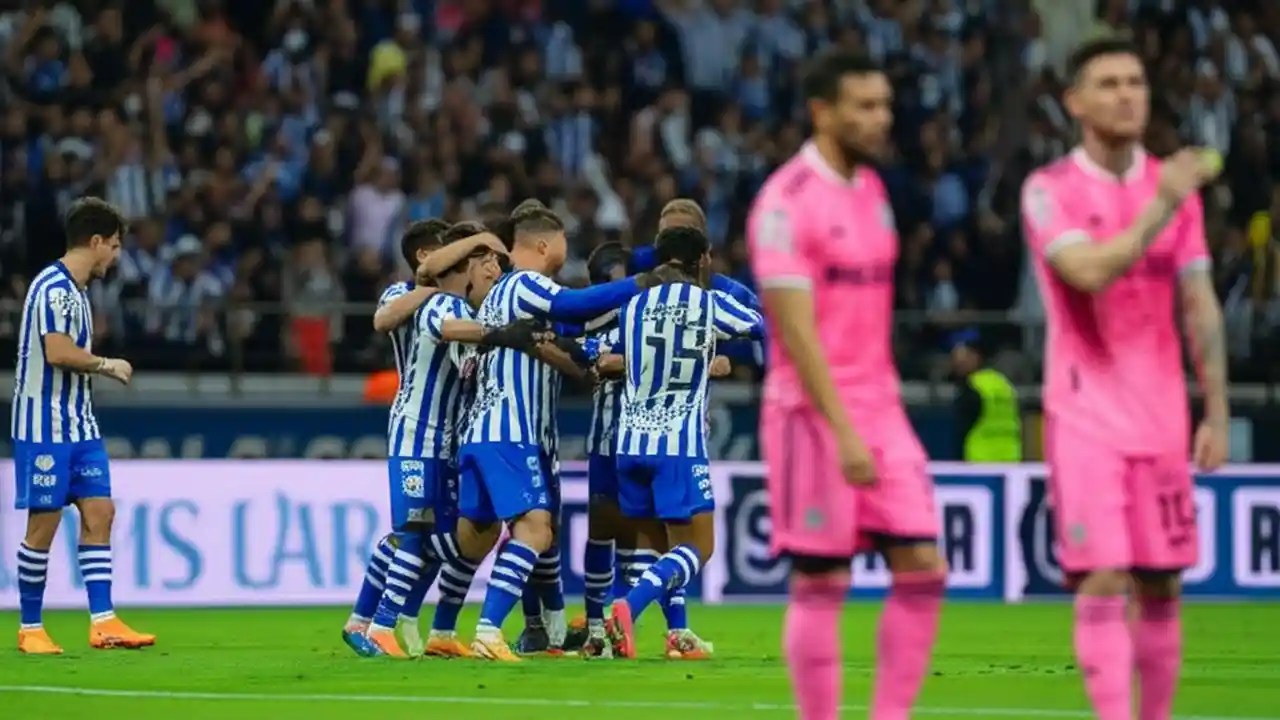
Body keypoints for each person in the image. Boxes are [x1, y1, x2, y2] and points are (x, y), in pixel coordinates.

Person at [1020, 37, 1228, 720]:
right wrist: (1163, 204)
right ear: (1075, 102)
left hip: (1163, 416)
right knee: (1105, 575)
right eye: (1108, 83)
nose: (1127, 94)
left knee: (1163, 583)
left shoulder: (1172, 193)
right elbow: (1088, 272)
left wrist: (1217, 411)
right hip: (1084, 416)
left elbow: (1200, 304)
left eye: (1135, 81)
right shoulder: (1049, 190)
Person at [746, 51, 949, 720]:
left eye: (885, 105)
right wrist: (843, 430)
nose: (880, 118)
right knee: (822, 578)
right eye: (864, 105)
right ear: (822, 111)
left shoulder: (874, 194)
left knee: (923, 568)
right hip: (813, 412)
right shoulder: (784, 202)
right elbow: (797, 335)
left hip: (879, 405)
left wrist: (875, 412)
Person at [456, 203, 667, 661]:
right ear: (545, 244)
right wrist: (643, 283)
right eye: (565, 240)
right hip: (511, 430)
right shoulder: (527, 283)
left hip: (488, 429)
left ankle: (536, 631)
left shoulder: (499, 295)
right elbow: (575, 305)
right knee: (533, 531)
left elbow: (572, 327)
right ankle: (489, 629)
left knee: (528, 534)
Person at [600, 224, 762, 659]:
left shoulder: (632, 304)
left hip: (630, 443)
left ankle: (678, 635)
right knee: (698, 548)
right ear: (703, 261)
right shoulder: (708, 302)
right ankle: (627, 610)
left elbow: (606, 356)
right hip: (677, 444)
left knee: (664, 548)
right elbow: (760, 326)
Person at [363, 229, 514, 659]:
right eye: (481, 259)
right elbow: (407, 324)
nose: (491, 268)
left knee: (434, 533)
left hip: (445, 436)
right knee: (415, 531)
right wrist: (500, 333)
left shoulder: (460, 305)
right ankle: (379, 624)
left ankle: (422, 627)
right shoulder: (435, 301)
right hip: (417, 430)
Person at [13, 197, 154, 654]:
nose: (115, 256)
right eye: (113, 246)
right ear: (94, 243)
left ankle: (104, 621)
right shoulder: (53, 288)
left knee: (100, 513)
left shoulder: (75, 292)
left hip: (79, 426)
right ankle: (30, 626)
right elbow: (56, 351)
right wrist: (105, 364)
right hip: (44, 428)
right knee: (44, 524)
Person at [949, 329, 1022, 463]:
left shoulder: (972, 387)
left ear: (975, 356)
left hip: (980, 461)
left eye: (961, 357)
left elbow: (962, 429)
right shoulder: (1003, 383)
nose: (956, 364)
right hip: (1010, 460)